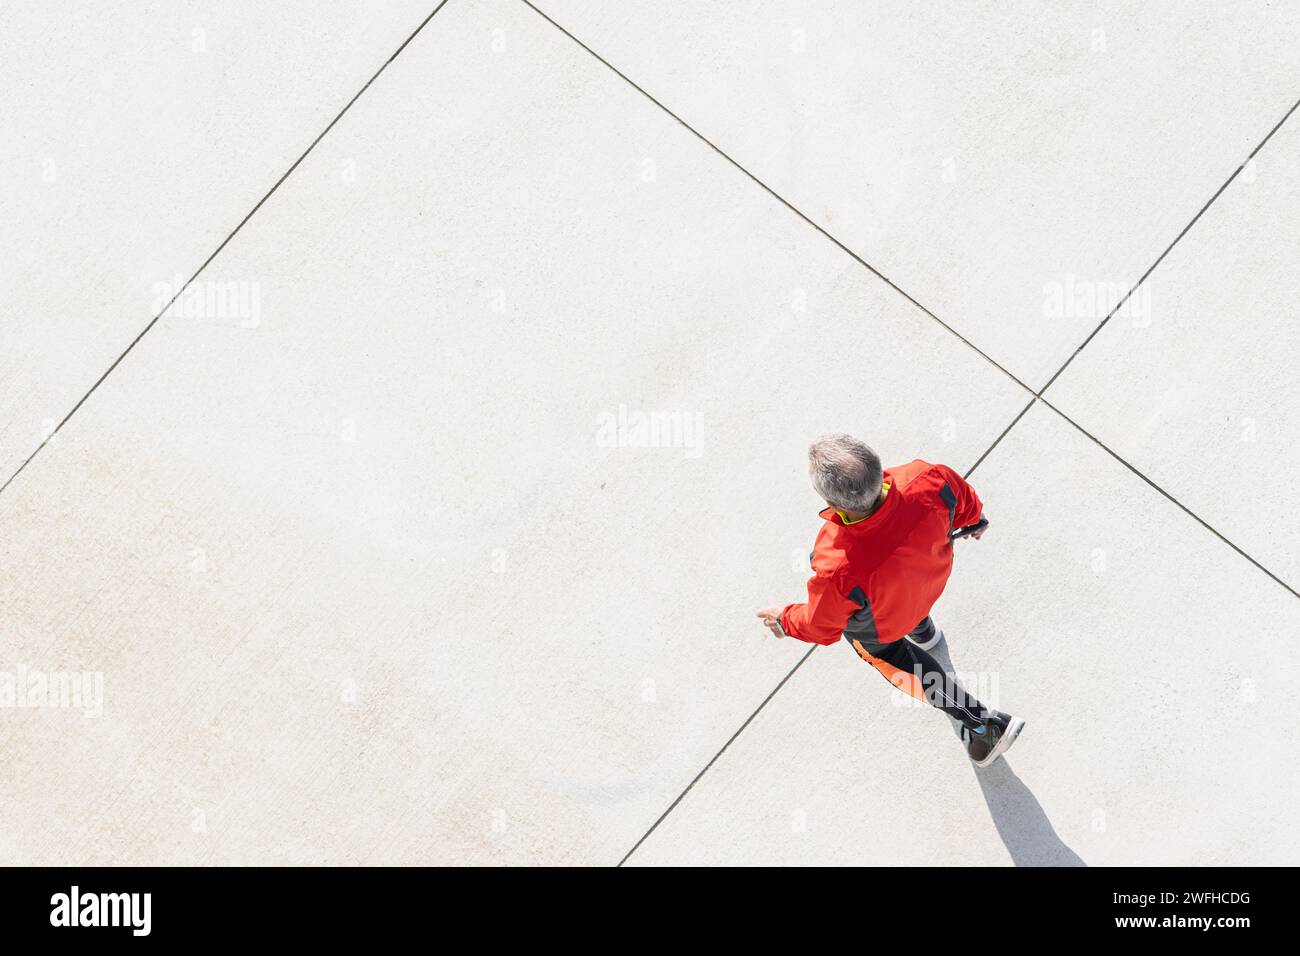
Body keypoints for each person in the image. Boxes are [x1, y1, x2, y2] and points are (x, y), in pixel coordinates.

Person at [756, 433, 1024, 766]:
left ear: (836, 504)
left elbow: (820, 627)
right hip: (928, 581)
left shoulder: (837, 563)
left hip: (884, 625)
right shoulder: (926, 477)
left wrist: (784, 618)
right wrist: (976, 521)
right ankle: (924, 632)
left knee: (903, 664)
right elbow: (965, 501)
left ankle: (985, 724)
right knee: (901, 589)